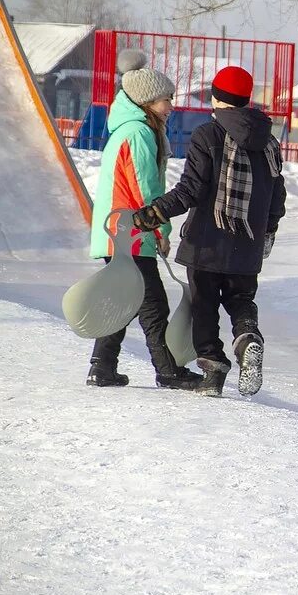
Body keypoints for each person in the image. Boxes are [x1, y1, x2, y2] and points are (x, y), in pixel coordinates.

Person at [133, 65, 286, 398]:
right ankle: (248, 341)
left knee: (205, 306)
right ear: (246, 100)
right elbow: (277, 197)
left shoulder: (208, 135)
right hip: (247, 245)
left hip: (207, 242)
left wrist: (155, 212)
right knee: (241, 301)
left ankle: (213, 372)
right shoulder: (270, 142)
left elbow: (191, 190)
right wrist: (267, 231)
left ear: (216, 99)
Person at [85, 49, 202, 391]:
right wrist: (160, 227)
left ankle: (102, 366)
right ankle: (168, 371)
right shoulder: (137, 133)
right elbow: (144, 186)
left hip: (120, 229)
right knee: (152, 305)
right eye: (166, 99)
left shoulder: (128, 129)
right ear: (147, 101)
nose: (171, 105)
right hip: (131, 229)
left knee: (126, 299)